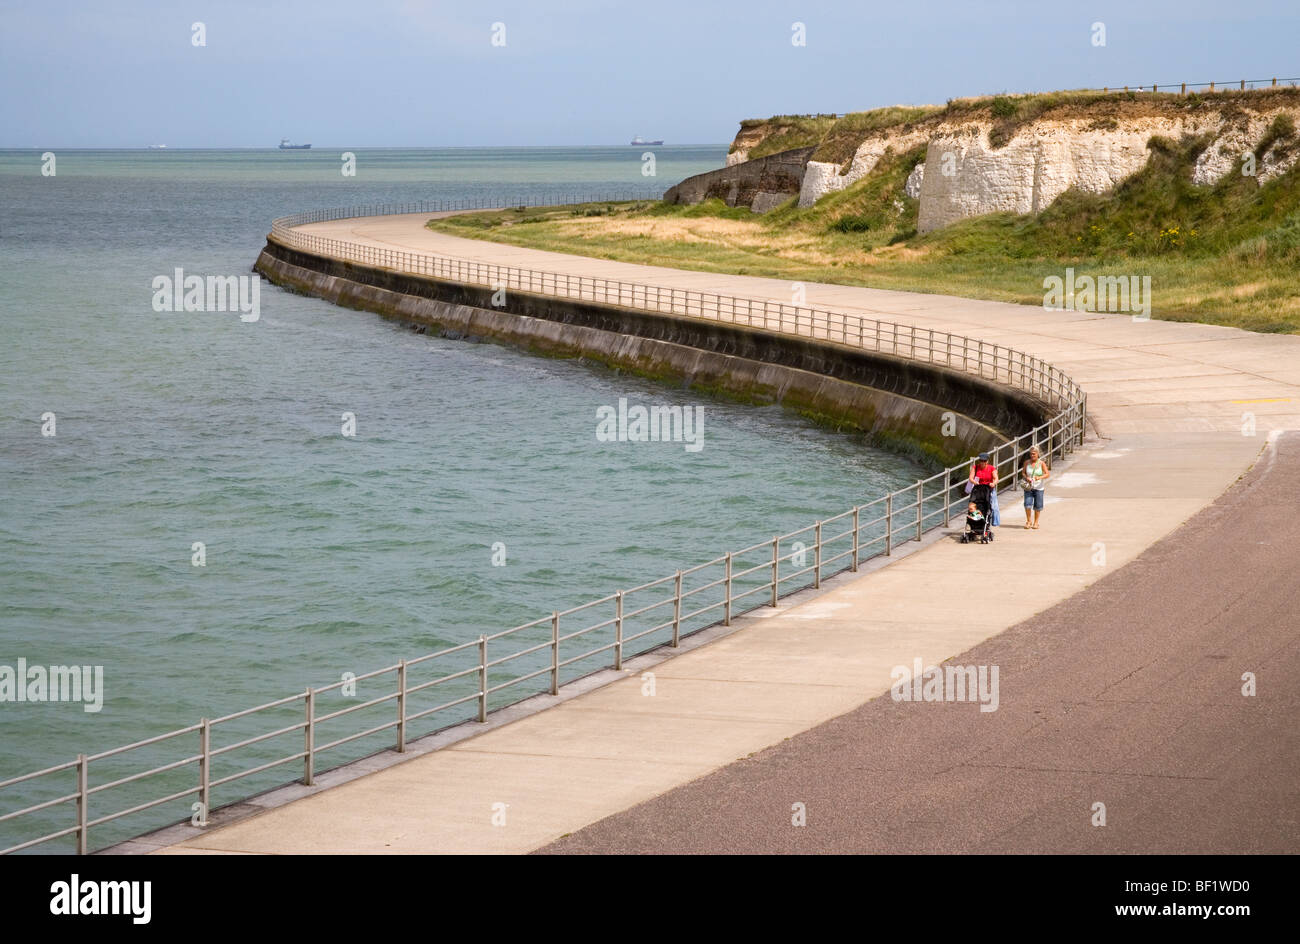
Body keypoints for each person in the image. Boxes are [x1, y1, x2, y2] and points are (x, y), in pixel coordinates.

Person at [968, 452, 999, 538]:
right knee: (974, 505)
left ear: (987, 461)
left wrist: (994, 483)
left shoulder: (992, 468)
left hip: (988, 489)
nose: (982, 462)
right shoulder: (975, 467)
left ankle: (990, 524)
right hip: (978, 489)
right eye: (981, 461)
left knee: (992, 507)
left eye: (984, 461)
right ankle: (974, 526)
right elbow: (971, 477)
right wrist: (974, 482)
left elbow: (996, 478)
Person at [1021, 446, 1050, 529]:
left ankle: (1036, 522)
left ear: (1038, 454)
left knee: (1038, 506)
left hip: (1039, 488)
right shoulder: (1027, 463)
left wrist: (1039, 477)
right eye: (1031, 454)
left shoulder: (1041, 463)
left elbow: (1047, 474)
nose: (1032, 455)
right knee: (1027, 504)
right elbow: (1023, 473)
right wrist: (1027, 478)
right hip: (1029, 487)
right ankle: (1028, 521)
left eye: (1034, 454)